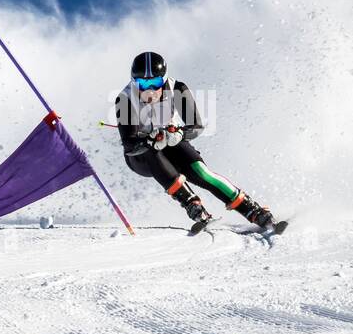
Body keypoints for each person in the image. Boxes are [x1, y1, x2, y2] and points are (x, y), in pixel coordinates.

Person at [115, 51, 278, 231]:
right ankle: (192, 204)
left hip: (171, 140)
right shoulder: (125, 99)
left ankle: (252, 209)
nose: (149, 90)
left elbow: (196, 125)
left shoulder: (177, 88)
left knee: (200, 172)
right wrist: (148, 141)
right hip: (140, 156)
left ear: (164, 79)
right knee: (152, 153)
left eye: (155, 82)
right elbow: (129, 144)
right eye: (142, 83)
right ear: (133, 82)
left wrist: (180, 134)